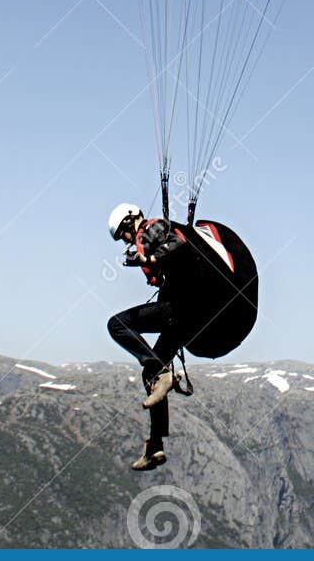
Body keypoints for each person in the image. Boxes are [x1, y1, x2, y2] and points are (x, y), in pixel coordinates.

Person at [105, 202, 258, 472]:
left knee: (117, 325)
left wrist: (148, 260)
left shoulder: (151, 229)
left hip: (184, 310)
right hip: (200, 316)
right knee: (152, 372)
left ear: (130, 221)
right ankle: (155, 446)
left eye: (123, 235)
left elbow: (177, 245)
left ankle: (162, 372)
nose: (126, 240)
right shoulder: (160, 232)